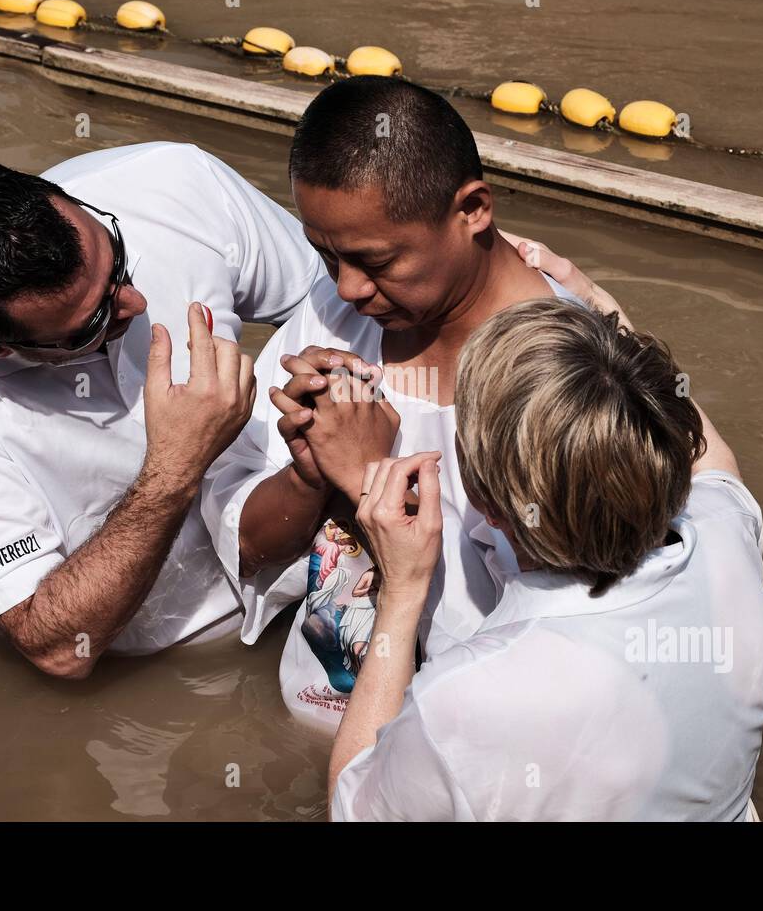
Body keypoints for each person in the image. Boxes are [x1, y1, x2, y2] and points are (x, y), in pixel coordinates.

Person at [200, 76, 586, 730]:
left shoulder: (566, 376)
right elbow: (246, 550)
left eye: (375, 261)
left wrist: (365, 477)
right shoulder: (334, 312)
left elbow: (558, 648)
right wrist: (308, 474)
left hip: (457, 761)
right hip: (325, 734)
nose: (348, 288)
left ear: (472, 210)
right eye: (325, 255)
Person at [0, 142, 322, 677]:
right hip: (183, 666)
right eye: (95, 321)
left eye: (118, 260)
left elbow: (339, 298)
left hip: (328, 552)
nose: (135, 303)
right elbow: (54, 646)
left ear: (61, 200)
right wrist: (174, 469)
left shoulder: (171, 182)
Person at [330, 295, 763, 821]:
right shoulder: (727, 546)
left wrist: (403, 592)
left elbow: (351, 805)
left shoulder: (465, 699)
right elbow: (715, 462)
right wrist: (600, 315)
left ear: (484, 501)